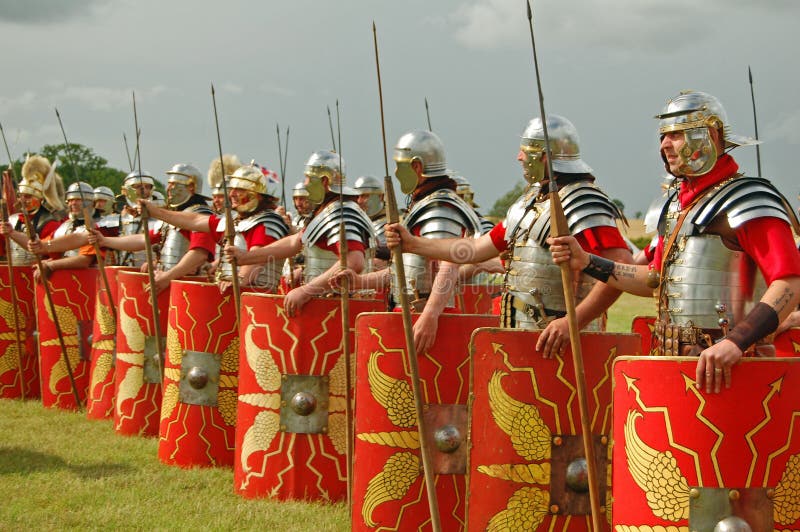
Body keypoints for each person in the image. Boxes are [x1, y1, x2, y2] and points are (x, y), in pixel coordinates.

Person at [549, 90, 800, 393]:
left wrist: (737, 340)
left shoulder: (748, 200)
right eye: (663, 136)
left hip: (735, 366)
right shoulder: (679, 207)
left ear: (708, 134)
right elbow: (653, 279)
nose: (665, 145)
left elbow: (789, 281)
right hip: (675, 362)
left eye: (677, 134)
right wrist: (587, 261)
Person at [382, 117, 632, 357]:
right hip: (523, 333)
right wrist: (414, 244)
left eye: (525, 151)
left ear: (545, 156)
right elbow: (478, 249)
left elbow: (620, 269)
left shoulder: (581, 204)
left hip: (564, 343)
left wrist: (573, 322)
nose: (519, 157)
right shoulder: (527, 204)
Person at [337, 130, 483, 354]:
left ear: (417, 166)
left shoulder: (440, 208)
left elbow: (449, 264)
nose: (396, 173)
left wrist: (430, 315)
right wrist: (360, 281)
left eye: (400, 166)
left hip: (429, 322)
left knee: (431, 389)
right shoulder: (422, 205)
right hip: (410, 316)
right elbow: (401, 273)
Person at [226, 150, 375, 315]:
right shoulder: (328, 211)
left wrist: (306, 290)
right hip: (328, 306)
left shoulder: (342, 214)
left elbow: (353, 262)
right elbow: (294, 242)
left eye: (308, 178)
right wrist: (245, 257)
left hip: (340, 309)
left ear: (324, 180)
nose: (305, 184)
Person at [140, 162, 289, 293]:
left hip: (255, 300)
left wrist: (240, 279)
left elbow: (257, 258)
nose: (232, 194)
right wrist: (156, 212)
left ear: (256, 195)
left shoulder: (267, 221)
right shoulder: (234, 221)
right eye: (232, 189)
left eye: (239, 190)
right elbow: (195, 220)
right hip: (230, 294)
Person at [90, 163, 216, 293]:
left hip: (186, 286)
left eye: (174, 184)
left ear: (190, 187)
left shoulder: (201, 214)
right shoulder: (174, 216)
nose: (168, 188)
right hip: (167, 282)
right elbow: (143, 240)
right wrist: (105, 241)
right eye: (169, 183)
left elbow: (199, 254)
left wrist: (168, 276)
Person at [0, 155, 65, 265]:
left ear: (40, 199)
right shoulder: (11, 220)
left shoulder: (50, 223)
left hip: (38, 275)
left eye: (28, 197)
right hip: (13, 276)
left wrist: (12, 233)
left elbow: (54, 255)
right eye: (21, 196)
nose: (23, 200)